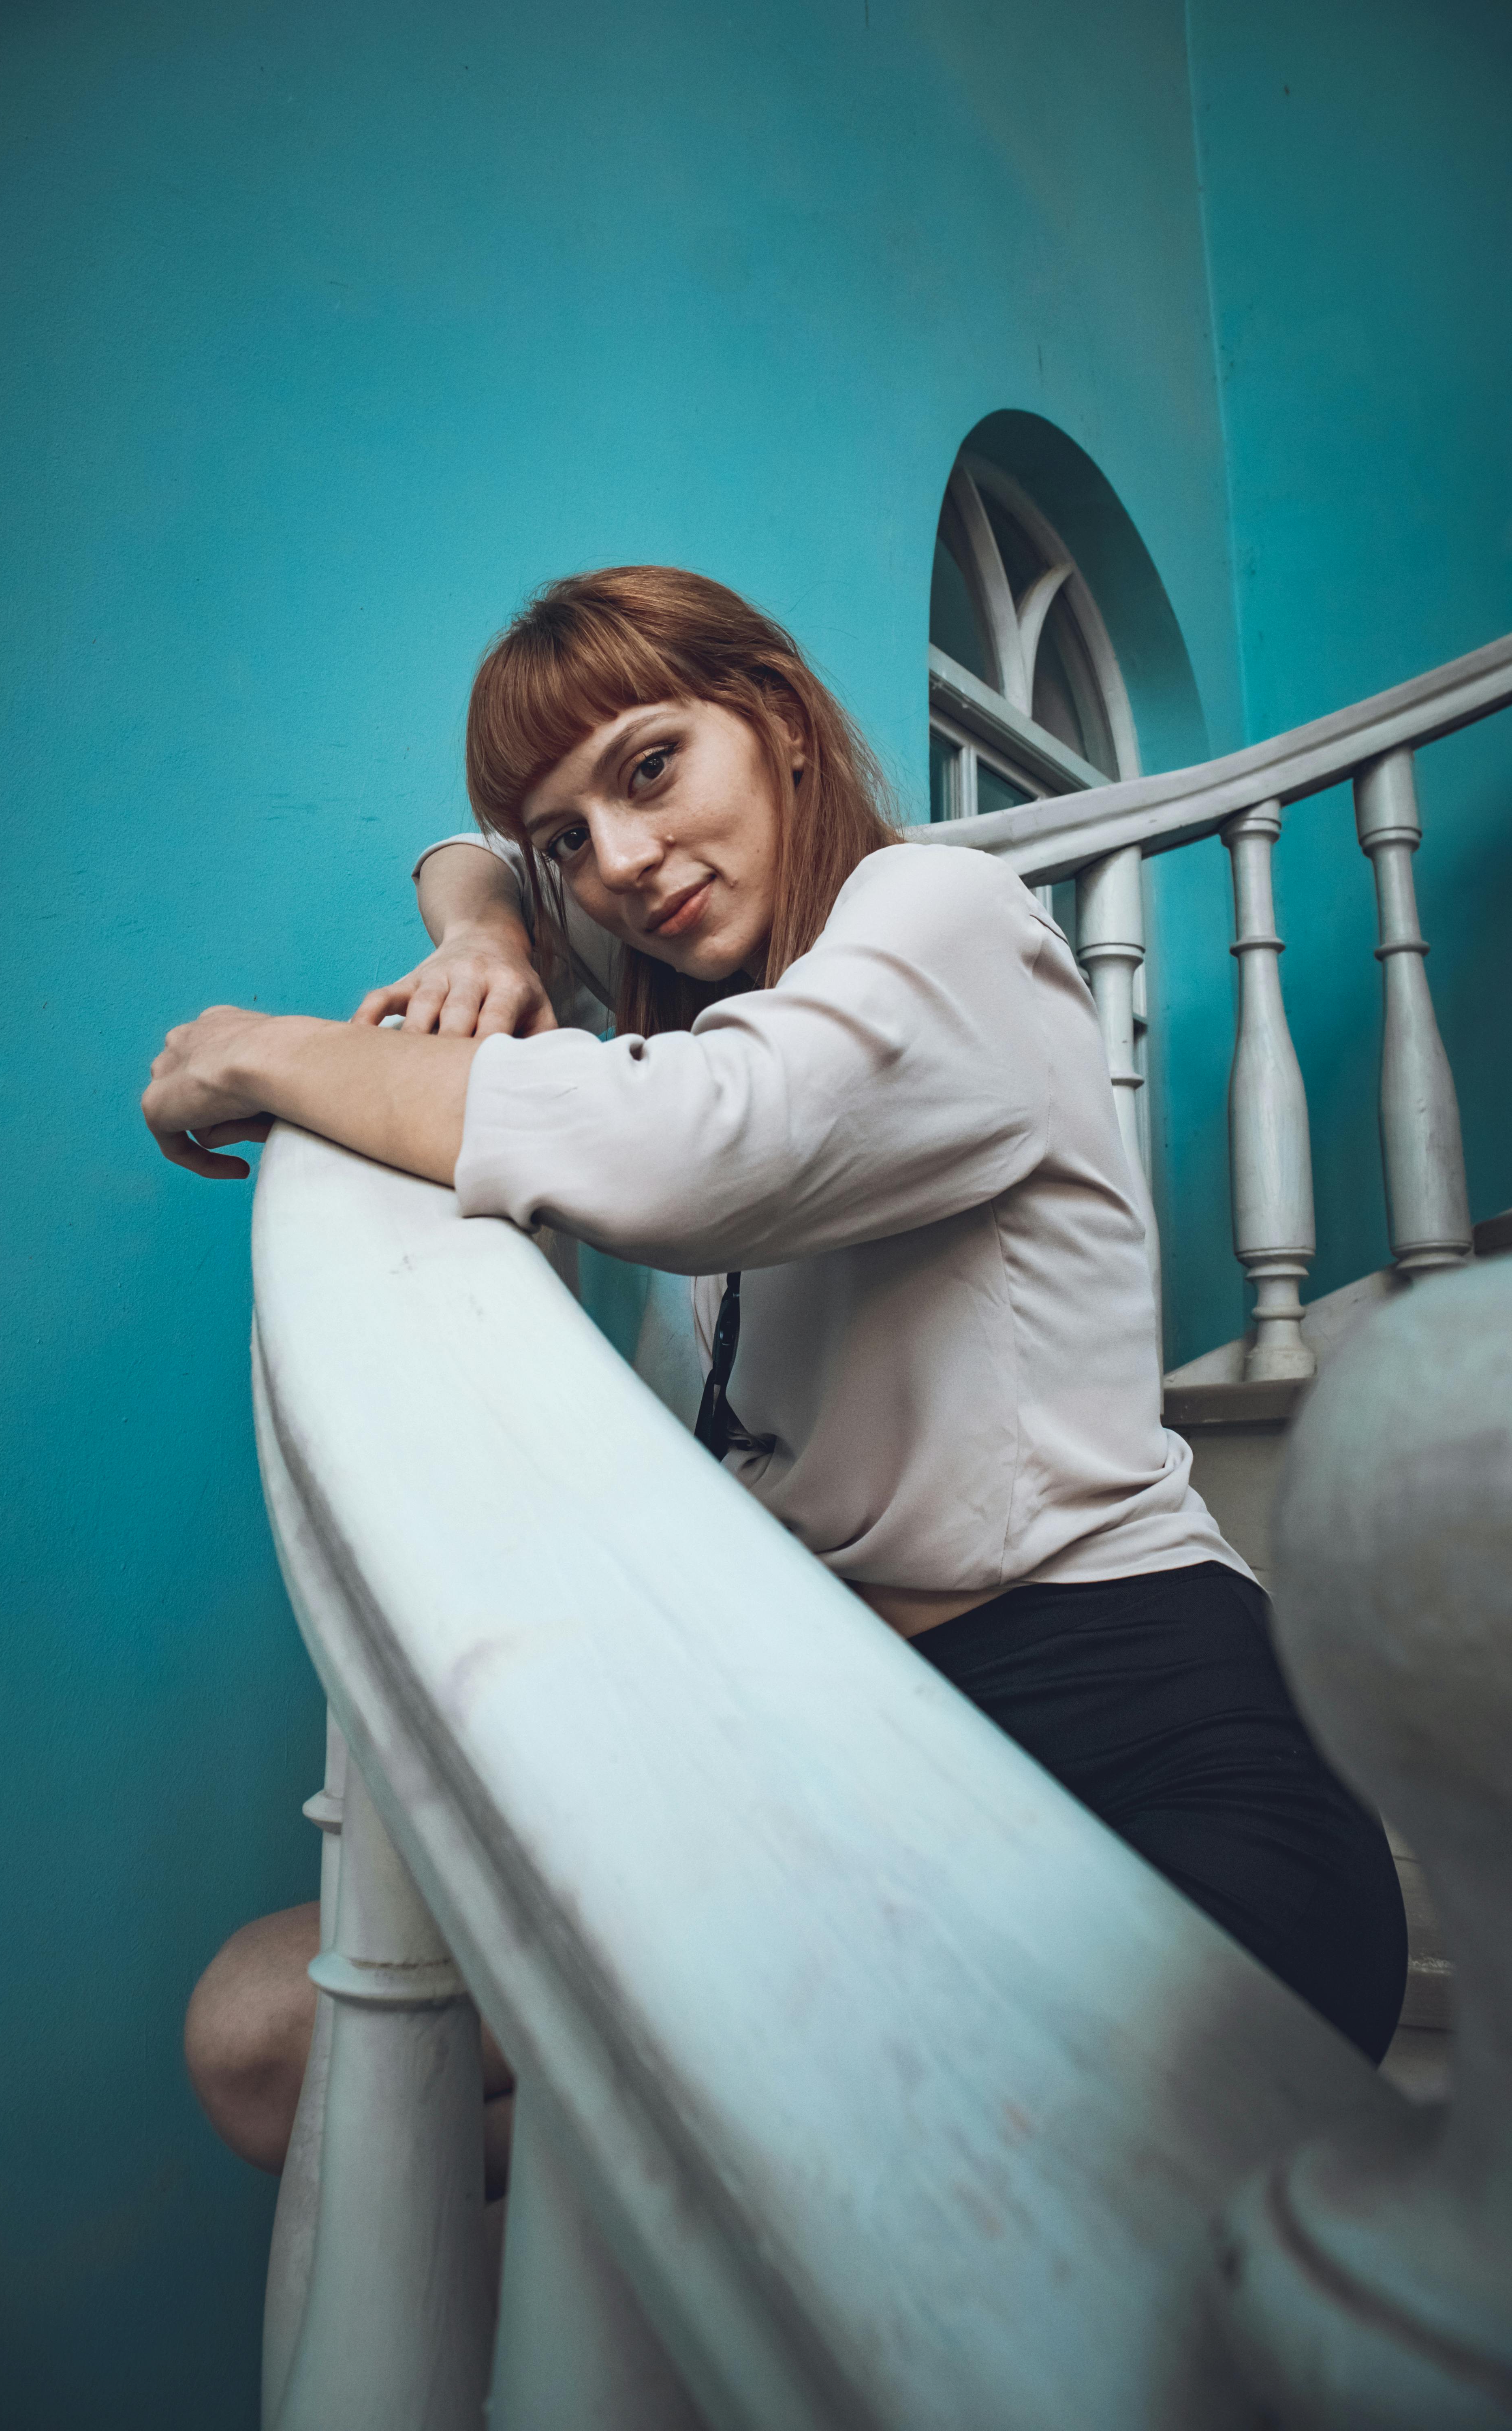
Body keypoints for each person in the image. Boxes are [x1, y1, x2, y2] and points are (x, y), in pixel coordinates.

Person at [147, 565, 1407, 2183]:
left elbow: (694, 1152)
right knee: (264, 2035)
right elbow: (458, 854)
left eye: (651, 766)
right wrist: (483, 922)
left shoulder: (937, 920)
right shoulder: (720, 993)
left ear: (781, 719)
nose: (620, 861)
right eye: (569, 837)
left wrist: (259, 1048)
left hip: (1150, 1766)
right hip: (846, 1761)